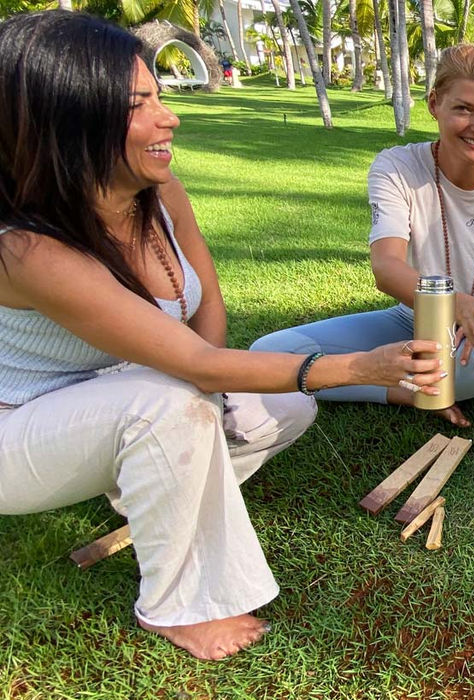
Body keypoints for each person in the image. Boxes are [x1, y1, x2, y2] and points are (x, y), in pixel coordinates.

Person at [0, 11, 444, 661]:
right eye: (138, 105)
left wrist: (219, 390)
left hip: (109, 392)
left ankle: (143, 491)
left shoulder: (155, 186)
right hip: (18, 429)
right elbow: (201, 366)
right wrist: (361, 367)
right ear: (69, 121)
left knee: (285, 407)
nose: (168, 117)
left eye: (159, 95)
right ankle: (179, 606)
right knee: (172, 405)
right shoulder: (29, 251)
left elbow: (203, 301)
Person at [251, 43, 474, 427]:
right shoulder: (397, 167)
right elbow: (386, 268)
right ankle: (403, 390)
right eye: (463, 109)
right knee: (269, 352)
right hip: (411, 321)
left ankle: (413, 383)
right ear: (434, 104)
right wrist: (457, 306)